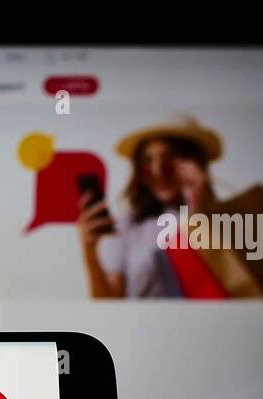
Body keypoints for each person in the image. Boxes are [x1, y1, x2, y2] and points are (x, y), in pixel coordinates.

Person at [77, 115, 222, 299]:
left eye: (168, 162)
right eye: (146, 163)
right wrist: (90, 254)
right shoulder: (126, 227)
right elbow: (110, 302)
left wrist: (199, 208)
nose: (157, 172)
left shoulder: (223, 222)